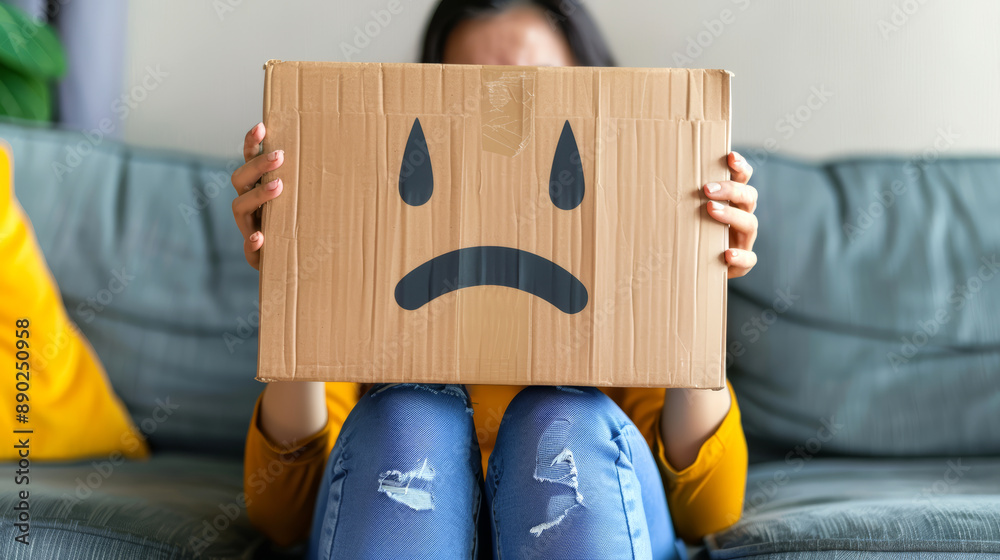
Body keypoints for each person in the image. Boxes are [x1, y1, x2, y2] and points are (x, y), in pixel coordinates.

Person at [231, 1, 758, 558]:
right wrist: (298, 280)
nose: (505, 141)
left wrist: (694, 287)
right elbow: (282, 516)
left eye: (533, 95)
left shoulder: (626, 255)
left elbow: (709, 513)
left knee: (559, 418)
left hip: (591, 517)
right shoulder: (378, 242)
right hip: (401, 517)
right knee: (408, 415)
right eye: (477, 101)